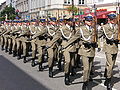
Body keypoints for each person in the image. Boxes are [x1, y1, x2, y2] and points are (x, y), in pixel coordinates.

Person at [63, 14, 98, 89]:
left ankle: (87, 80)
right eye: (88, 20)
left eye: (91, 20)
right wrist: (65, 46)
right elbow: (74, 38)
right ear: (85, 21)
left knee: (89, 68)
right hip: (84, 50)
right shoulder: (80, 29)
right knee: (86, 68)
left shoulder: (94, 28)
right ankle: (85, 84)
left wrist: (97, 44)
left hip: (92, 50)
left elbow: (96, 38)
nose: (90, 22)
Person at [98, 13, 119, 90]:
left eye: (114, 19)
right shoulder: (104, 27)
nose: (114, 20)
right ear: (109, 19)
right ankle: (109, 82)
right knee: (110, 65)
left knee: (112, 65)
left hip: (115, 48)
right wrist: (104, 38)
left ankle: (107, 78)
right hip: (108, 47)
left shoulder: (117, 26)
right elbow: (98, 35)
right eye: (112, 19)